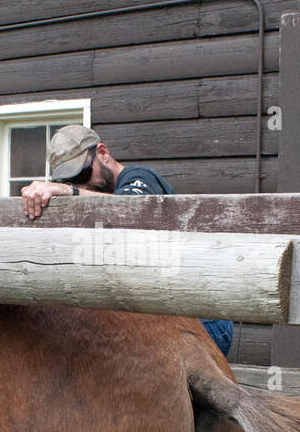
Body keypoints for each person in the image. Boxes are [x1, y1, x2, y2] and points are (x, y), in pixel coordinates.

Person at [19, 124, 235, 357]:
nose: (81, 185)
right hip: (169, 314)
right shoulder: (92, 199)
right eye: (68, 180)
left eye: (81, 175)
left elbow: (129, 213)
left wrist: (68, 191)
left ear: (102, 153)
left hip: (204, 318)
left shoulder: (140, 177)